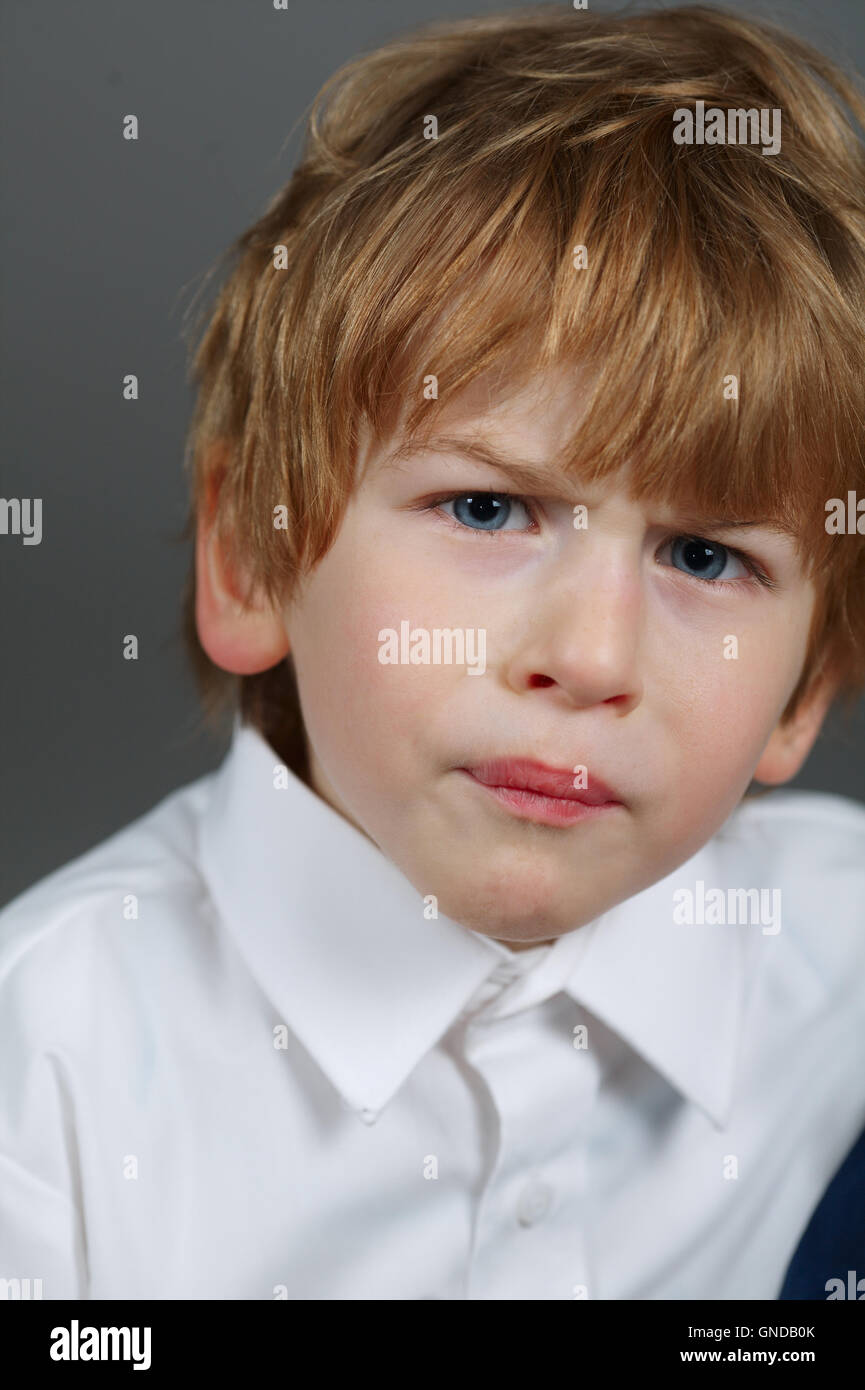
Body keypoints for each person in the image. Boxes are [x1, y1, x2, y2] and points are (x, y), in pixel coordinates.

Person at [2, 3, 864, 1300]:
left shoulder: (839, 964)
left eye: (703, 556)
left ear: (805, 686)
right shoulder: (45, 1082)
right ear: (253, 558)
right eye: (486, 507)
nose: (587, 655)